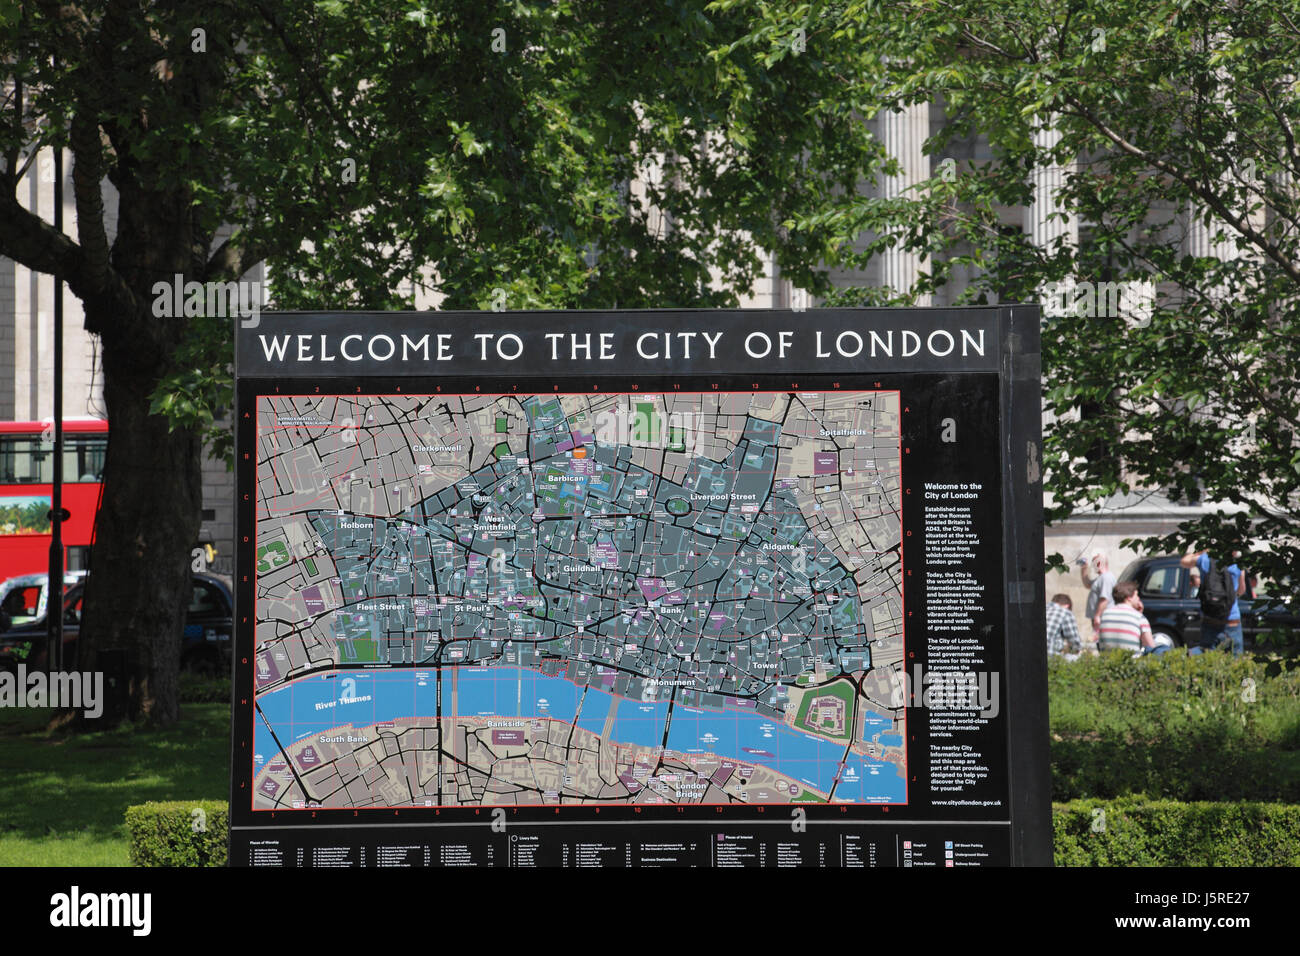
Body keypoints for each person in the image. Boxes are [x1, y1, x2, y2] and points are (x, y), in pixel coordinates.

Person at [1179, 548, 1246, 655]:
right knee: (1234, 663)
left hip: (1210, 621)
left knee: (1208, 660)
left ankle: (1193, 653)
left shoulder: (1205, 560)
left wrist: (1203, 551)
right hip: (1232, 621)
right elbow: (1241, 590)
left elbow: (1184, 561)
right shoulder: (1238, 563)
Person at [1097, 580, 1156, 654]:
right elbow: (1150, 646)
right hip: (1130, 663)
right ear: (1129, 598)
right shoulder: (1139, 617)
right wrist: (1140, 614)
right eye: (1136, 595)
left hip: (1108, 662)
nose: (1138, 598)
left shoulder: (1105, 614)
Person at [1079, 552, 1117, 649]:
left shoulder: (1106, 578)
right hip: (1100, 617)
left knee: (1103, 644)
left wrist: (1097, 616)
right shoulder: (1101, 578)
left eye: (1094, 563)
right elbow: (1087, 584)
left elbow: (1104, 599)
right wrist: (1084, 569)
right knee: (1099, 643)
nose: (1092, 566)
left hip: (1103, 617)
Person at [1045, 593, 1082, 658]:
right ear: (1067, 606)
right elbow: (1075, 644)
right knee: (1076, 657)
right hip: (1050, 658)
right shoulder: (1065, 612)